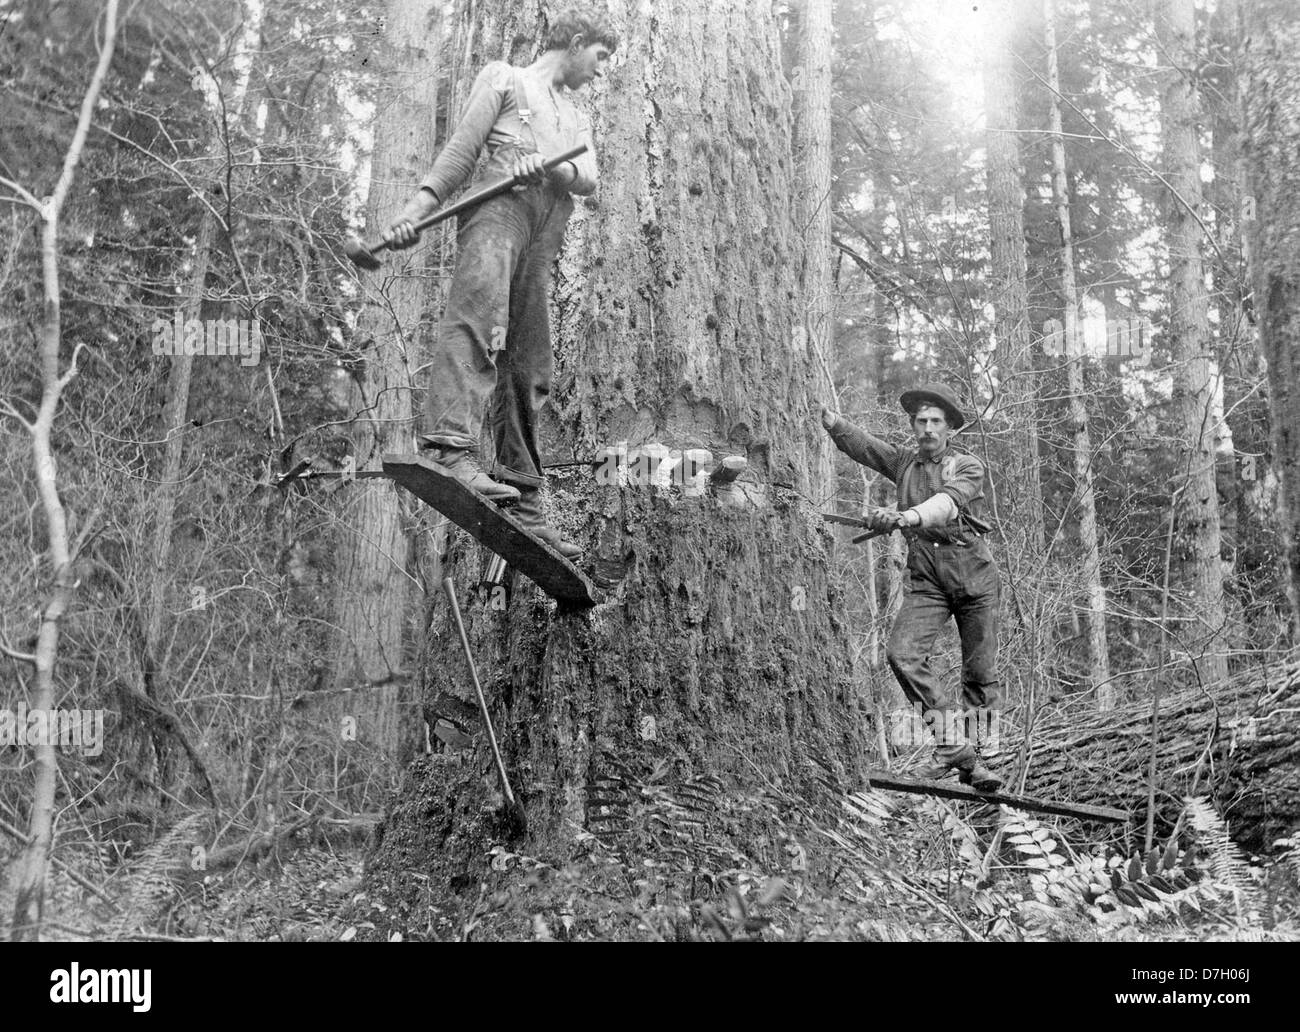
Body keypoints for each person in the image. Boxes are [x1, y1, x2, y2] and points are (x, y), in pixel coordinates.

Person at [383, 8, 619, 558]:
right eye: (601, 57)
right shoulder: (504, 79)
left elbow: (589, 177)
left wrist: (552, 169)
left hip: (544, 231)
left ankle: (524, 498)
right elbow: (460, 154)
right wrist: (415, 211)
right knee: (478, 321)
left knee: (531, 362)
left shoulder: (574, 116)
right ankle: (448, 447)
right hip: (497, 215)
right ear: (577, 41)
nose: (602, 71)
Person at [819, 384, 1003, 791]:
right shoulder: (904, 463)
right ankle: (955, 748)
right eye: (921, 421)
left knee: (980, 672)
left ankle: (984, 758)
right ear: (913, 425)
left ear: (950, 428)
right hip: (926, 579)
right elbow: (866, 448)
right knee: (902, 654)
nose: (928, 428)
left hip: (973, 575)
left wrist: (906, 517)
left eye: (936, 422)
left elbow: (948, 504)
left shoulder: (966, 466)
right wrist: (832, 422)